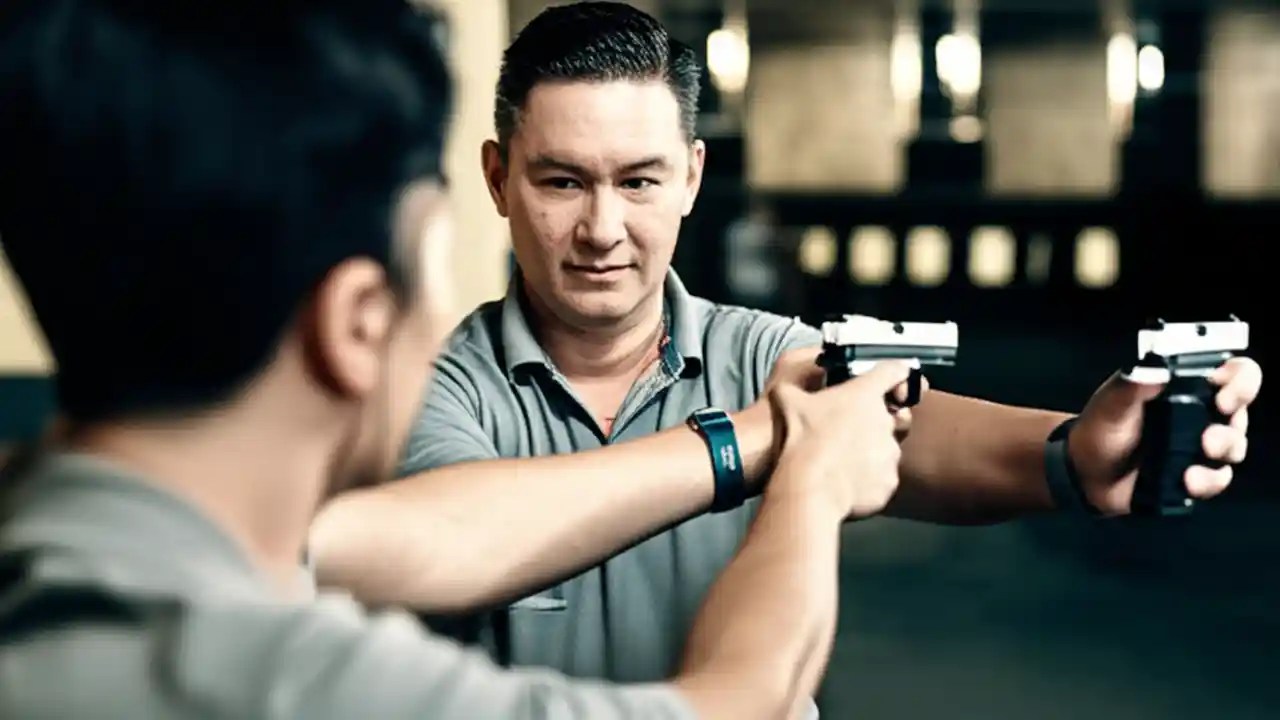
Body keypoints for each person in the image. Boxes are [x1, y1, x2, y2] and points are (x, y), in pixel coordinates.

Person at [309, 0, 1262, 699]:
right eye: (562, 181)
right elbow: (449, 534)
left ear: (692, 178)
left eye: (639, 182)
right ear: (497, 178)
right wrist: (761, 441)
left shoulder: (759, 351)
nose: (602, 229)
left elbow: (905, 432)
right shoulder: (434, 385)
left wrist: (1071, 453)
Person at [0, 1, 920, 718]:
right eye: (432, 260)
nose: (600, 228)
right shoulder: (310, 683)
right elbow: (736, 707)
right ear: (358, 323)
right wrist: (807, 480)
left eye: (637, 179)